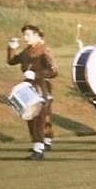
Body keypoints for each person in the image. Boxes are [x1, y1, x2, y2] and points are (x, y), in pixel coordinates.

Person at [7, 24, 59, 160]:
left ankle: (40, 147)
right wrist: (12, 49)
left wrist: (36, 75)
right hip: (28, 86)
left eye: (28, 35)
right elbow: (12, 61)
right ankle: (37, 145)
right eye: (25, 35)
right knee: (30, 116)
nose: (25, 38)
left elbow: (53, 71)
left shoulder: (44, 50)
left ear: (37, 36)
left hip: (41, 86)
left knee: (40, 117)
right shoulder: (27, 51)